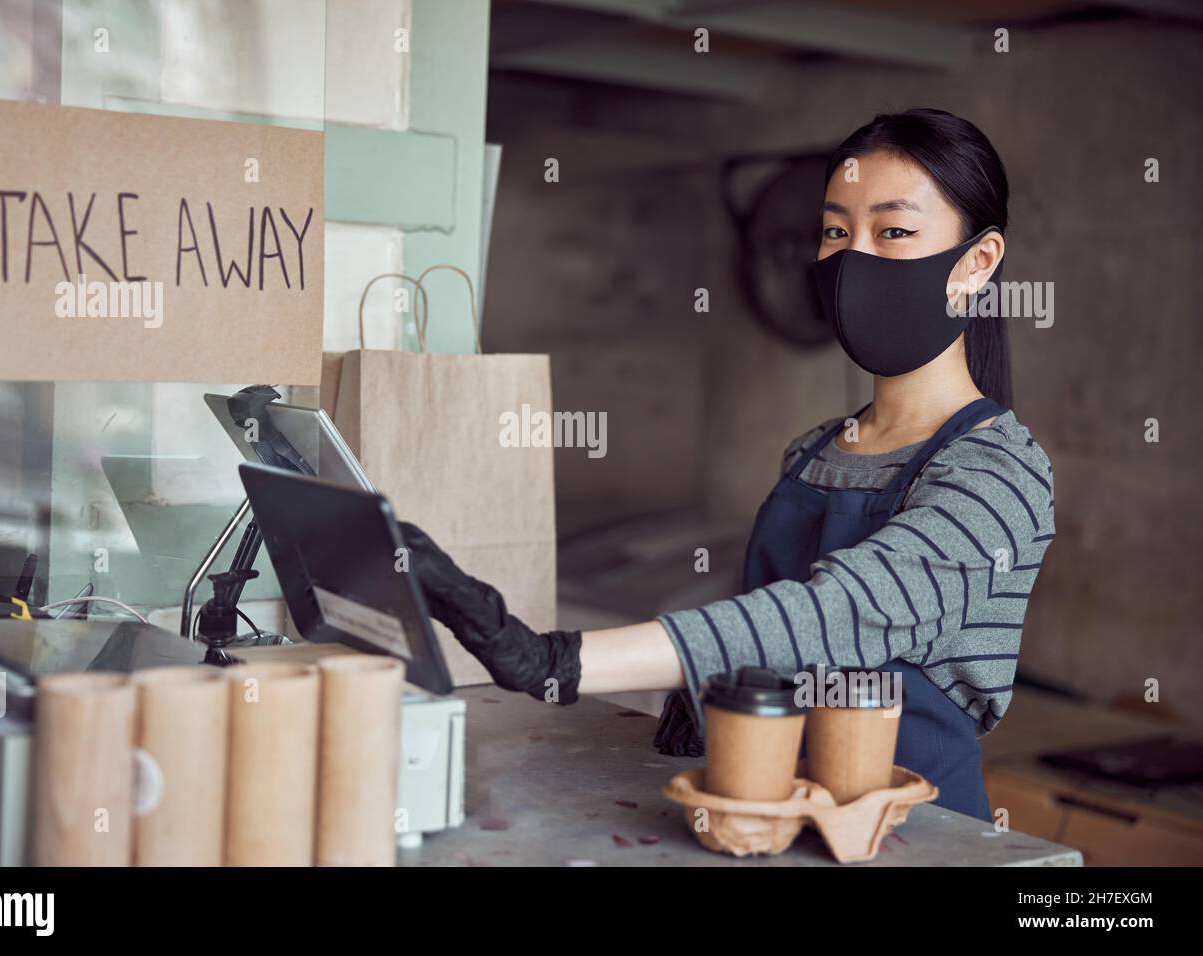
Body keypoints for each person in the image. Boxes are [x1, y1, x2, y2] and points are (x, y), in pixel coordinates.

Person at [401, 108, 1056, 823]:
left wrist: (557, 659)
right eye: (836, 231)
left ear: (979, 262)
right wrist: (713, 692)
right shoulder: (813, 451)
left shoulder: (999, 475)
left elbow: (845, 615)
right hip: (768, 817)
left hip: (916, 835)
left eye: (893, 231)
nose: (853, 256)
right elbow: (779, 632)